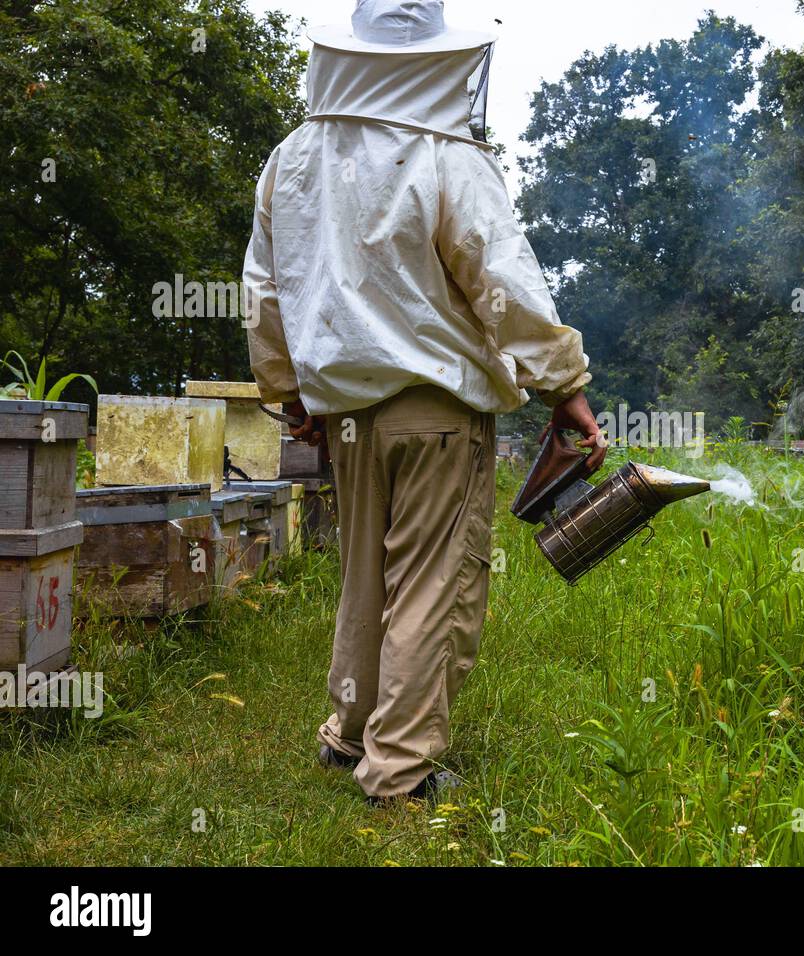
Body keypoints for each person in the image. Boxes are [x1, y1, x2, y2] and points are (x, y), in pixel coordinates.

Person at [242, 0, 606, 804]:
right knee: (434, 587)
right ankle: (399, 771)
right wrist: (565, 384)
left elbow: (264, 292)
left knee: (365, 578)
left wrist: (289, 391)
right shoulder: (447, 155)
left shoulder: (291, 158)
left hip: (347, 417)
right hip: (437, 413)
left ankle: (347, 732)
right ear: (437, 59)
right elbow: (502, 280)